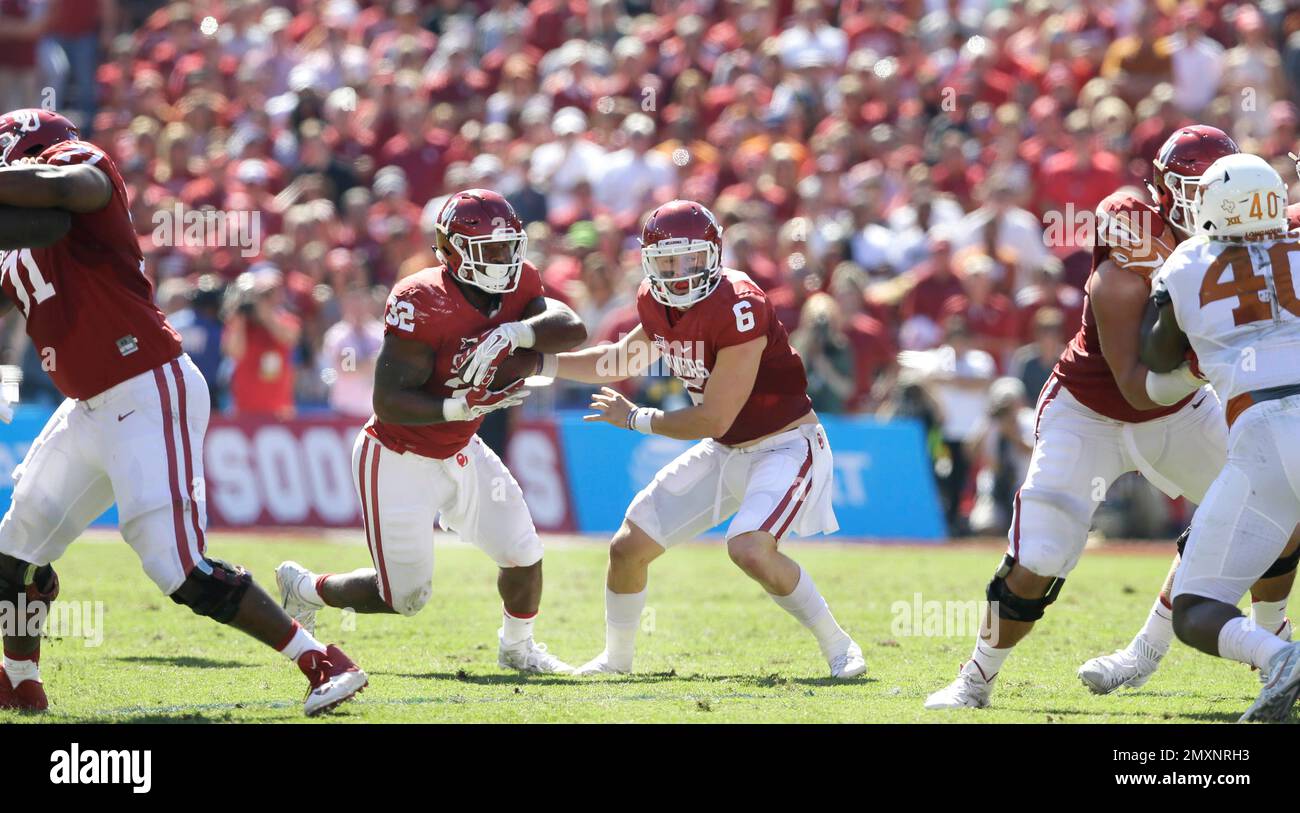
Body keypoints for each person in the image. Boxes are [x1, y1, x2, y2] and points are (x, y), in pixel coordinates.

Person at [0, 108, 365, 715]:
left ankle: (321, 659)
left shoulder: (81, 165)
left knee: (179, 568)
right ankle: (19, 681)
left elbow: (61, 190)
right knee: (13, 553)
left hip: (145, 385)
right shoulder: (17, 244)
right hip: (88, 404)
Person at [925, 125, 1298, 711]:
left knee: (1274, 511)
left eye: (1220, 188)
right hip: (1093, 407)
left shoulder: (1244, 240)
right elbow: (1138, 386)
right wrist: (1208, 364)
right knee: (1041, 556)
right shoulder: (1135, 252)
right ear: (1169, 194)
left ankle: (1261, 640)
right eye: (1197, 189)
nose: (1214, 201)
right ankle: (976, 677)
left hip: (1181, 409)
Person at [542, 200, 865, 679]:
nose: (678, 272)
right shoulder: (654, 302)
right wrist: (541, 365)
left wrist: (637, 420)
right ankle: (617, 661)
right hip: (727, 449)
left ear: (713, 254)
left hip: (785, 443)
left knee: (750, 548)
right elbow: (618, 360)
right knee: (628, 547)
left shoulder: (738, 303)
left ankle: (841, 647)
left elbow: (714, 416)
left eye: (689, 258)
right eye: (667, 260)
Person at [277, 189, 586, 674]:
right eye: (490, 250)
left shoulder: (520, 282)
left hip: (462, 447)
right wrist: (462, 403)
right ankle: (305, 588)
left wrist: (516, 332)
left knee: (524, 553)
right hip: (398, 454)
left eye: (508, 246)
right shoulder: (421, 298)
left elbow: (571, 329)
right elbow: (390, 401)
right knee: (403, 597)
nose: (504, 260)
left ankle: (518, 647)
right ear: (452, 251)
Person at [1141, 154, 1300, 722]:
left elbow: (1155, 358)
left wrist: (1197, 358)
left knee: (1196, 611)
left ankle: (1279, 656)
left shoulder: (1187, 260)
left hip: (1264, 434)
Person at [221, 265, 301, 419]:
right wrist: (239, 320)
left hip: (280, 410)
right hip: (244, 409)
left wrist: (266, 315)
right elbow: (235, 353)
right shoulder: (241, 323)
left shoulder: (287, 320)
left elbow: (289, 339)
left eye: (270, 293)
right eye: (261, 294)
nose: (267, 299)